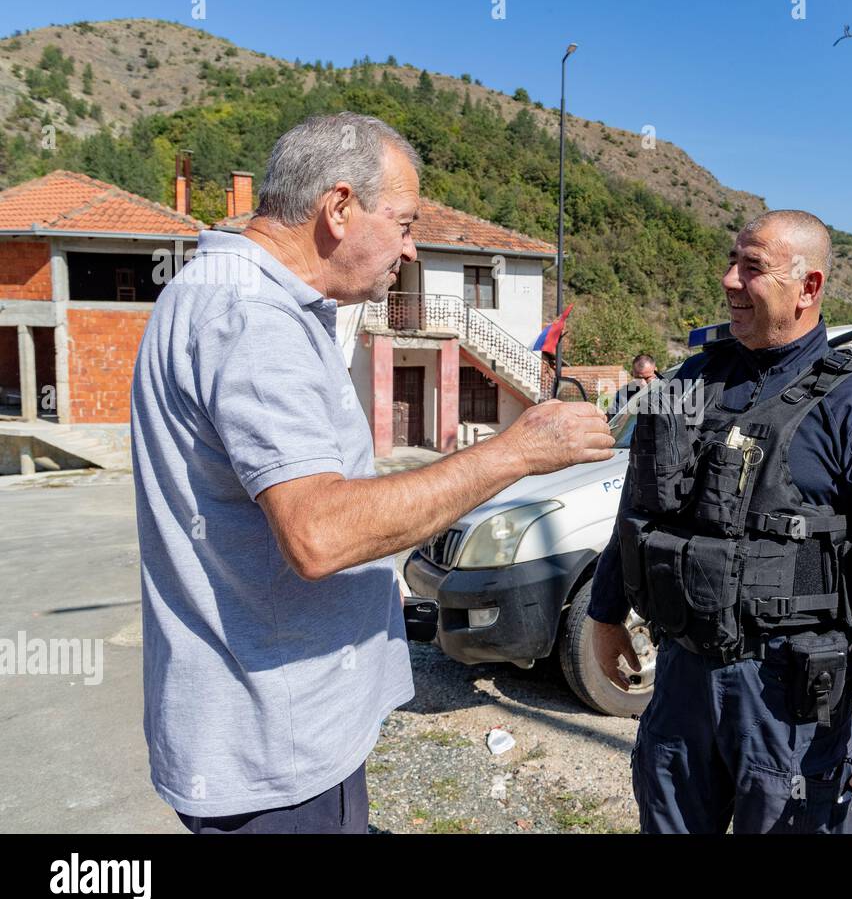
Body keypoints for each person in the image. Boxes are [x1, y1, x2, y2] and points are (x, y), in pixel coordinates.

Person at [130, 112, 613, 833]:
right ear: (338, 208)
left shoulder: (226, 295)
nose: (411, 249)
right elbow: (321, 533)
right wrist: (516, 452)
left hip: (273, 728)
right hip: (274, 750)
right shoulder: (253, 317)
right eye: (405, 222)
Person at [588, 209, 852, 834]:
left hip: (790, 698)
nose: (729, 280)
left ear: (808, 288)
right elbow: (637, 503)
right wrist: (604, 612)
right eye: (732, 262)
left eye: (751, 268)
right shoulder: (690, 379)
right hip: (682, 679)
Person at [605, 354, 661, 419]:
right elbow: (612, 418)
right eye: (638, 378)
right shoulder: (624, 394)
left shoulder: (667, 389)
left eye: (647, 378)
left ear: (655, 371)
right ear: (632, 373)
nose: (642, 383)